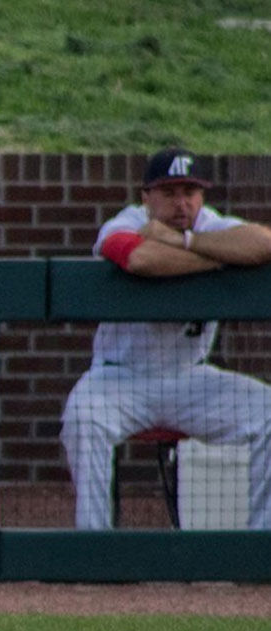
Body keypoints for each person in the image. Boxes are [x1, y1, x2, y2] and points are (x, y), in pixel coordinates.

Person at [60, 147, 271, 529]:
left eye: (190, 192)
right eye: (169, 192)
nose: (182, 203)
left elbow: (265, 243)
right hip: (120, 378)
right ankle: (93, 545)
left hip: (190, 378)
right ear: (146, 197)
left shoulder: (207, 224)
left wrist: (185, 243)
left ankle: (261, 545)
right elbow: (142, 259)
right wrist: (224, 259)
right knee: (82, 417)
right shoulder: (124, 222)